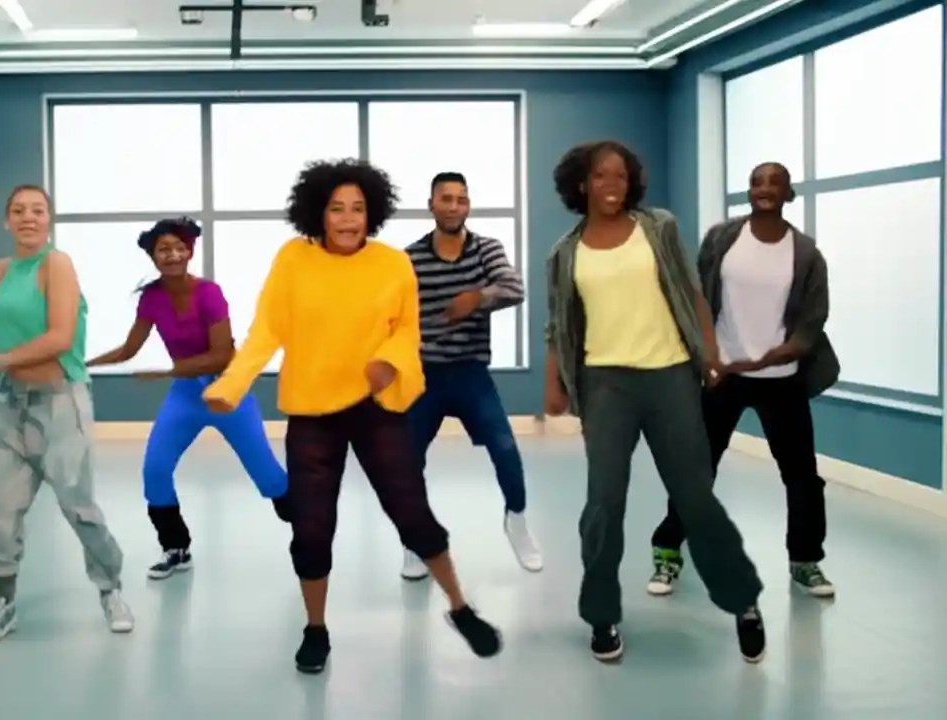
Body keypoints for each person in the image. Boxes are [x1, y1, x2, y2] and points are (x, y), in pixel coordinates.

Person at [202, 159, 502, 674]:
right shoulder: (294, 259)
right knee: (312, 528)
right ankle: (315, 627)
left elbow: (407, 331)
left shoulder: (390, 264)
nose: (347, 219)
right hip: (313, 412)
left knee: (412, 512)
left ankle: (458, 605)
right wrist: (231, 385)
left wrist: (389, 360)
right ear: (317, 213)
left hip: (374, 406)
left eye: (358, 209)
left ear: (373, 213)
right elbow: (266, 331)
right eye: (336, 209)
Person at [544, 141, 766, 664]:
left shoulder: (658, 228)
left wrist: (709, 352)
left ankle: (742, 601)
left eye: (621, 175)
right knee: (604, 503)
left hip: (669, 377)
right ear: (582, 184)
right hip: (605, 384)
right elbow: (559, 324)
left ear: (632, 181)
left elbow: (691, 293)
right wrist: (554, 385)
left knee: (694, 497)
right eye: (601, 176)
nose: (612, 185)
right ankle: (601, 614)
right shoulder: (564, 253)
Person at [0, 184, 133, 643]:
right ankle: (4, 600)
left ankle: (110, 589)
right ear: (5, 221)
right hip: (11, 406)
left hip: (61, 404)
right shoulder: (1, 270)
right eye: (18, 210)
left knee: (79, 507)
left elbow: (60, 337)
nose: (28, 217)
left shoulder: (57, 264)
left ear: (49, 219)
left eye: (38, 210)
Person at [648, 162, 838, 598]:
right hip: (722, 376)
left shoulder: (806, 253)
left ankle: (805, 561)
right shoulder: (722, 239)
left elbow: (813, 318)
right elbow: (698, 298)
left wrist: (786, 351)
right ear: (748, 191)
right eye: (756, 181)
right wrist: (707, 357)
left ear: (788, 193)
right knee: (696, 470)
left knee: (802, 476)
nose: (764, 188)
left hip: (782, 378)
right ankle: (667, 553)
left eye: (774, 182)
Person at [87, 217, 291, 579]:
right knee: (155, 470)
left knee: (269, 477)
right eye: (163, 249)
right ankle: (175, 548)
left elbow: (223, 355)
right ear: (153, 257)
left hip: (228, 391)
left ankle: (309, 532)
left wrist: (167, 372)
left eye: (180, 248)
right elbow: (129, 349)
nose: (173, 255)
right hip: (186, 396)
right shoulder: (151, 298)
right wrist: (82, 364)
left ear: (190, 252)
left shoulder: (209, 293)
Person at [400, 171, 542, 582]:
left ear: (468, 206)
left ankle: (516, 520)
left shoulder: (486, 250)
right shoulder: (409, 258)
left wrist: (478, 299)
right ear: (431, 205)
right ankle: (415, 541)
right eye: (445, 198)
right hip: (423, 376)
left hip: (470, 373)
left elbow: (514, 287)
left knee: (504, 447)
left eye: (461, 199)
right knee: (407, 463)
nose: (453, 206)